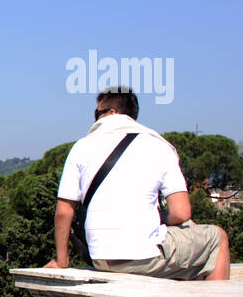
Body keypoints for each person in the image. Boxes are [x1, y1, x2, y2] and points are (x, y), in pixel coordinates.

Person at [45, 87, 229, 280]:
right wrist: (159, 218)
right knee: (217, 237)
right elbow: (182, 213)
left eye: (97, 113)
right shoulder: (159, 146)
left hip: (100, 258)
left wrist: (62, 260)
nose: (95, 119)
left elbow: (63, 212)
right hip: (144, 257)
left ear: (111, 112)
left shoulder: (80, 147)